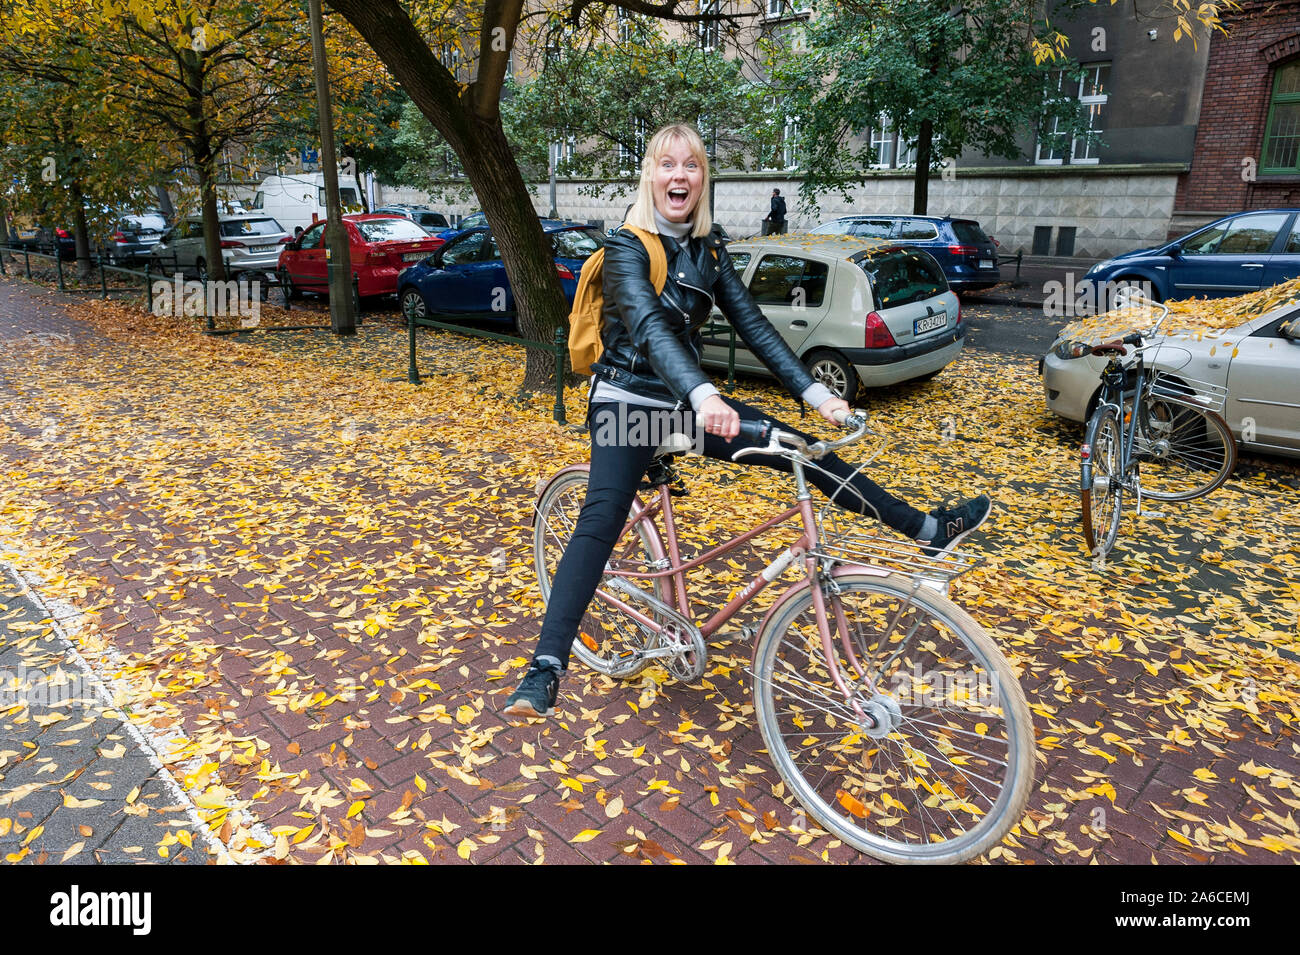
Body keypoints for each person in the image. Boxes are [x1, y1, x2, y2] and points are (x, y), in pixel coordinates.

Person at [503, 123, 990, 719]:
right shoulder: (628, 245)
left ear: (704, 178)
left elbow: (755, 327)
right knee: (601, 519)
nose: (678, 176)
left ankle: (926, 531)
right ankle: (547, 665)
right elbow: (649, 327)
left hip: (685, 404)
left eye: (691, 166)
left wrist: (816, 394)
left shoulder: (710, 250)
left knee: (803, 448)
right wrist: (705, 394)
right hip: (625, 405)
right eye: (666, 165)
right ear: (650, 175)